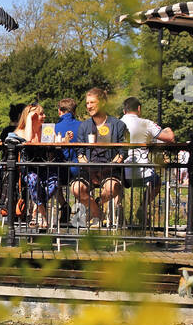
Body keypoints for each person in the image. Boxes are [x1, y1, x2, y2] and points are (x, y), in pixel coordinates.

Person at [69, 88, 127, 228]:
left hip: (110, 170)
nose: (88, 106)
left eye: (92, 102)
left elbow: (123, 151)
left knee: (112, 188)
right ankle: (97, 212)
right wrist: (90, 169)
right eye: (87, 103)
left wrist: (107, 168)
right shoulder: (84, 126)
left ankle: (98, 203)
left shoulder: (119, 125)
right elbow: (80, 152)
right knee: (76, 188)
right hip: (88, 170)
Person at [120, 96, 175, 220]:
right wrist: (169, 130)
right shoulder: (146, 123)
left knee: (116, 184)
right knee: (156, 182)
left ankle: (119, 211)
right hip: (143, 174)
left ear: (124, 111)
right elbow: (169, 138)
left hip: (121, 173)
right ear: (139, 109)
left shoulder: (116, 123)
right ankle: (143, 207)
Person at [14, 103, 56, 229]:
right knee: (33, 180)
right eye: (40, 114)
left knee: (54, 183)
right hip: (29, 170)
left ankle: (36, 209)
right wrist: (29, 120)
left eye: (43, 113)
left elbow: (54, 145)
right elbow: (27, 139)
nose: (44, 116)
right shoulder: (21, 131)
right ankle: (42, 215)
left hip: (45, 168)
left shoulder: (46, 130)